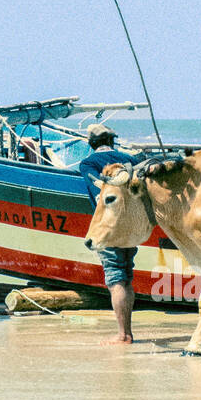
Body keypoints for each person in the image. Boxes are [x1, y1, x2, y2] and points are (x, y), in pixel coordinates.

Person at [77, 124, 142, 344]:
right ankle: (128, 331)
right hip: (131, 227)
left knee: (115, 278)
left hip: (109, 226)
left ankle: (124, 334)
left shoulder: (87, 164)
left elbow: (99, 191)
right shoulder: (128, 160)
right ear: (111, 140)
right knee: (126, 276)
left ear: (90, 143)